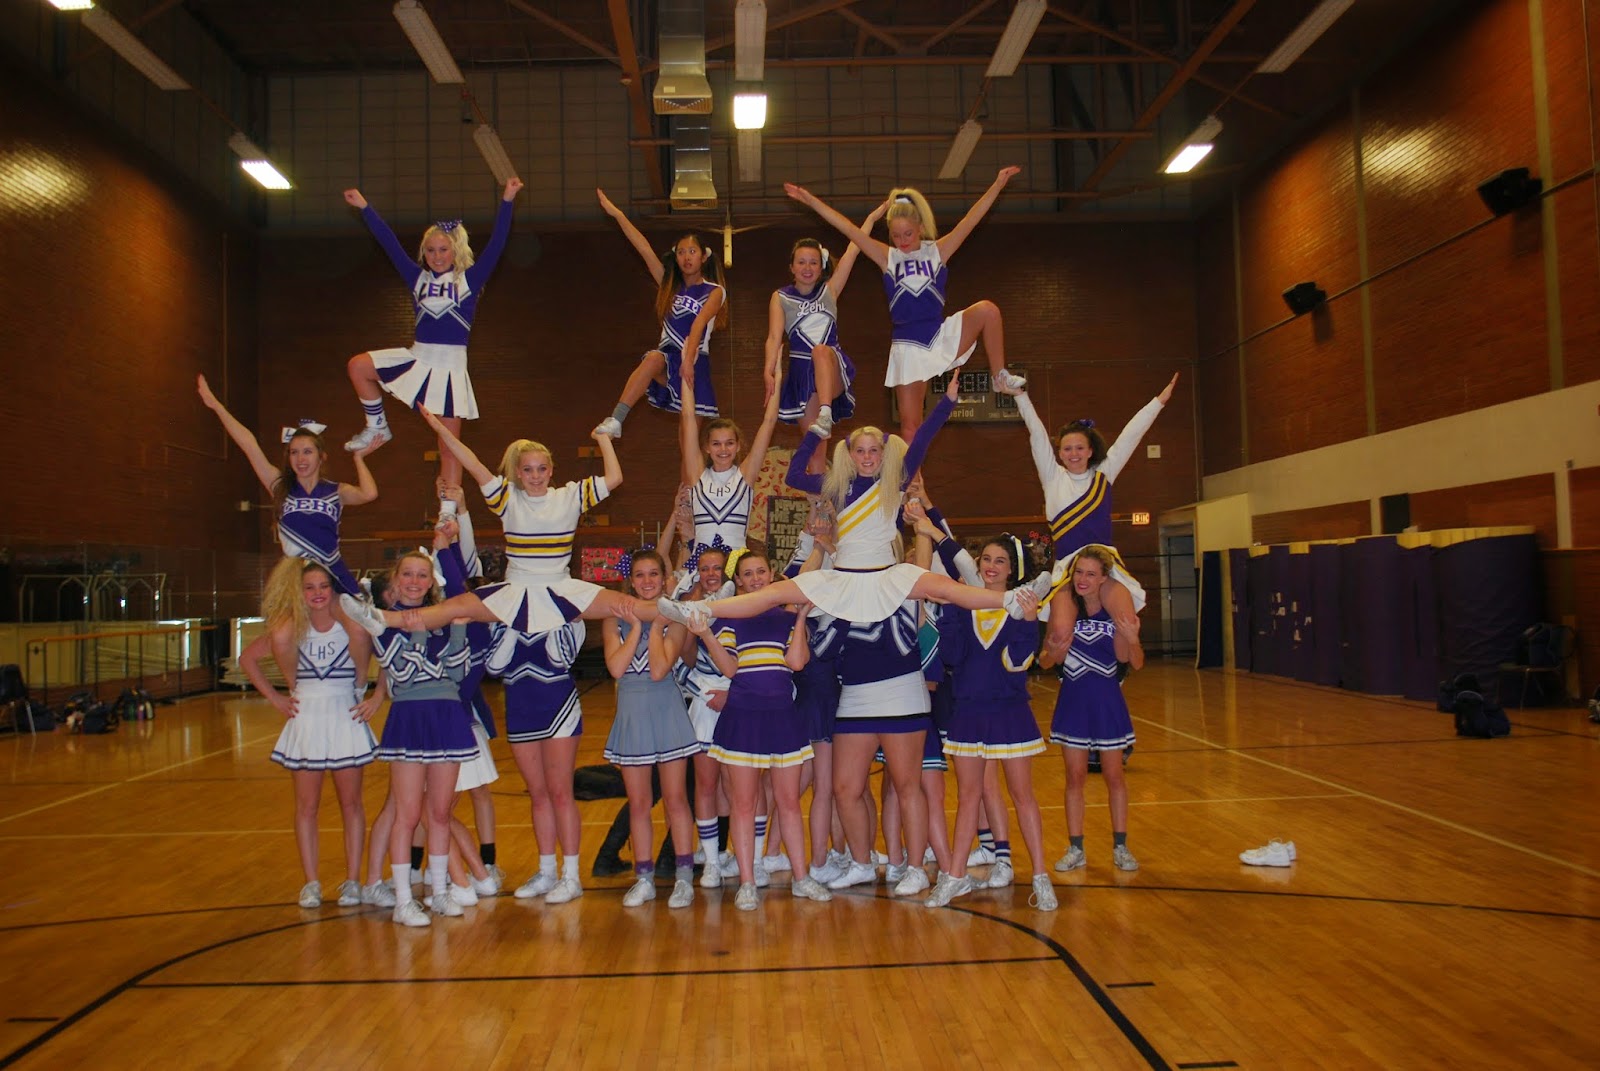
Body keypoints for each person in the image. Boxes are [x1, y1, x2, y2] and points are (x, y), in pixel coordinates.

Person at [655, 378, 1046, 630]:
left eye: (874, 449)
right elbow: (793, 477)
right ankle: (701, 610)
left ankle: (1009, 600)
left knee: (943, 588)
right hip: (841, 575)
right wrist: (814, 434)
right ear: (850, 454)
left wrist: (946, 402)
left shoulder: (896, 481)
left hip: (884, 573)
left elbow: (923, 439)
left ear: (883, 452)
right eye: (860, 450)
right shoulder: (836, 485)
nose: (868, 456)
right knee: (775, 593)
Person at [339, 412, 661, 635]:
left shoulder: (571, 496)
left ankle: (683, 614)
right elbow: (472, 463)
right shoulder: (507, 498)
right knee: (452, 609)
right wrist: (439, 428)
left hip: (561, 587)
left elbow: (615, 478)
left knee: (624, 604)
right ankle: (380, 617)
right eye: (528, 470)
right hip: (515, 589)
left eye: (541, 469)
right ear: (519, 473)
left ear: (551, 471)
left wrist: (602, 438)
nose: (535, 476)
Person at [782, 169, 1026, 440]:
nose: (902, 241)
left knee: (988, 310)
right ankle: (911, 482)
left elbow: (971, 220)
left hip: (938, 335)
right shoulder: (888, 258)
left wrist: (998, 184)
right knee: (911, 427)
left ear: (920, 227)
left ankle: (999, 376)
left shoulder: (938, 251)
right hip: (907, 347)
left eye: (908, 234)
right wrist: (811, 201)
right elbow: (848, 228)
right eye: (896, 236)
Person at [341, 179, 524, 514]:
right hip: (417, 357)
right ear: (423, 254)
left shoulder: (469, 280)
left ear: (455, 250)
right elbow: (389, 243)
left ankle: (446, 514)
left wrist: (507, 200)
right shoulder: (417, 279)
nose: (437, 256)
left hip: (450, 368)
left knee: (449, 446)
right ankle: (377, 424)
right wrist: (365, 208)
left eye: (443, 249)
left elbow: (497, 244)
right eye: (430, 250)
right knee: (358, 365)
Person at [911, 517, 1056, 911]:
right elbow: (954, 657)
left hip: (1009, 712)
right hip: (968, 713)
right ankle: (954, 877)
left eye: (999, 561)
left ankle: (1041, 877)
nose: (991, 566)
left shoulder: (1019, 609)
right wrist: (950, 612)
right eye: (986, 559)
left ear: (1012, 570)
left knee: (1023, 796)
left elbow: (1017, 662)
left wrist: (1027, 620)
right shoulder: (964, 604)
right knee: (968, 797)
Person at [690, 549, 833, 910]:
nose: (755, 579)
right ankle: (747, 882)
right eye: (747, 574)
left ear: (771, 576)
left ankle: (801, 878)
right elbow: (730, 670)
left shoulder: (784, 619)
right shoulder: (728, 620)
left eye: (761, 572)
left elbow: (797, 662)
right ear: (737, 581)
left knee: (787, 803)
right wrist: (706, 633)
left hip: (784, 718)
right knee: (742, 804)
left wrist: (799, 616)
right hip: (742, 718)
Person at [238, 558, 378, 909]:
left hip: (345, 711)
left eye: (323, 586)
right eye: (309, 587)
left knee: (351, 804)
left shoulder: (350, 623)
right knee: (306, 806)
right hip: (307, 716)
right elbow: (247, 659)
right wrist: (276, 698)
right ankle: (311, 882)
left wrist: (377, 694)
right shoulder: (290, 627)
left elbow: (387, 652)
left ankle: (352, 881)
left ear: (334, 589)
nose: (317, 593)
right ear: (299, 592)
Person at [1015, 373, 1177, 661]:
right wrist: (1020, 396)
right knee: (1060, 635)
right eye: (1067, 449)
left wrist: (1158, 402)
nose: (1073, 453)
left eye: (1079, 448)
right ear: (1060, 453)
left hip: (1105, 567)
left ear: (1090, 451)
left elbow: (1131, 436)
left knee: (1127, 624)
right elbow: (1036, 435)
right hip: (1067, 571)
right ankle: (1064, 673)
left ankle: (1115, 676)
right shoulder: (1052, 478)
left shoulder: (1104, 474)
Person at [367, 551, 481, 926]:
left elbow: (458, 672)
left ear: (431, 582)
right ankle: (403, 900)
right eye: (408, 575)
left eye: (422, 576)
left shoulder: (444, 620)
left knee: (440, 813)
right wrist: (417, 636)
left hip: (448, 718)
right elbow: (401, 673)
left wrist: (459, 629)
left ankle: (440, 892)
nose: (414, 582)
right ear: (395, 580)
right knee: (408, 813)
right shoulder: (383, 624)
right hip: (410, 720)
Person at [197, 374, 377, 596]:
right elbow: (248, 443)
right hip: (296, 575)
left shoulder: (335, 491)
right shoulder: (280, 486)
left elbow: (369, 494)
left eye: (307, 452)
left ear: (322, 457)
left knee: (358, 625)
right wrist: (216, 406)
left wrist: (358, 459)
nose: (301, 459)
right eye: (294, 452)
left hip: (331, 571)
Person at [602, 549, 702, 909]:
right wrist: (640, 629)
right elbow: (616, 668)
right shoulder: (613, 620)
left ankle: (684, 878)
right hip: (632, 717)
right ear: (632, 580)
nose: (647, 582)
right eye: (640, 575)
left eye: (653, 576)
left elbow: (659, 670)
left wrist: (658, 623)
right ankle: (643, 878)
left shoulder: (675, 619)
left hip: (667, 713)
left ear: (664, 580)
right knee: (640, 803)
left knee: (676, 800)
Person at [593, 189, 728, 435]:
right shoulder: (669, 285)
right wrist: (618, 214)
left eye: (692, 252)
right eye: (681, 252)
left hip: (695, 360)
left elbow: (698, 324)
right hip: (668, 356)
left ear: (703, 257)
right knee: (652, 358)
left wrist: (688, 361)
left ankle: (691, 475)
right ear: (676, 258)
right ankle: (617, 419)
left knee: (688, 440)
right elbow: (643, 249)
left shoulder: (715, 291)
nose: (687, 257)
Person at [1051, 547, 1144, 875]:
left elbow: (1134, 662)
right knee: (1074, 778)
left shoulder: (1115, 612)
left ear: (1104, 578)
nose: (1083, 580)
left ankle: (1121, 846)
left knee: (1114, 776)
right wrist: (1053, 651)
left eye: (1091, 574)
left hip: (1107, 704)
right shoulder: (1065, 609)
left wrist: (1132, 638)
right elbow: (1047, 662)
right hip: (1074, 702)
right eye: (1079, 573)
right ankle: (1076, 848)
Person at [488, 617, 587, 905]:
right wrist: (515, 619)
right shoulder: (503, 615)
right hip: (520, 708)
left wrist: (551, 613)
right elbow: (494, 666)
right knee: (538, 794)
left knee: (560, 792)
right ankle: (546, 871)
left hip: (558, 707)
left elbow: (560, 658)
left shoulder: (568, 613)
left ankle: (571, 876)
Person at [765, 213, 882, 443]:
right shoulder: (780, 297)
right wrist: (768, 371)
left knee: (819, 350)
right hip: (801, 373)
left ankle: (826, 412)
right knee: (813, 450)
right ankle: (817, 477)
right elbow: (773, 337)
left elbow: (854, 247)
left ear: (821, 267)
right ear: (792, 267)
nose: (807, 268)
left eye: (813, 262)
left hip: (830, 365)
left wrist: (873, 216)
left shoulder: (830, 291)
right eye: (801, 262)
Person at [678, 362, 780, 559]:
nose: (723, 449)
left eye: (729, 443)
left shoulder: (744, 476)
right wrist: (687, 369)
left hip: (736, 564)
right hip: (702, 564)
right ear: (707, 448)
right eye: (716, 444)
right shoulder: (698, 476)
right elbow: (688, 418)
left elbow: (769, 423)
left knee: (732, 588)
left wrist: (777, 377)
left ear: (738, 446)